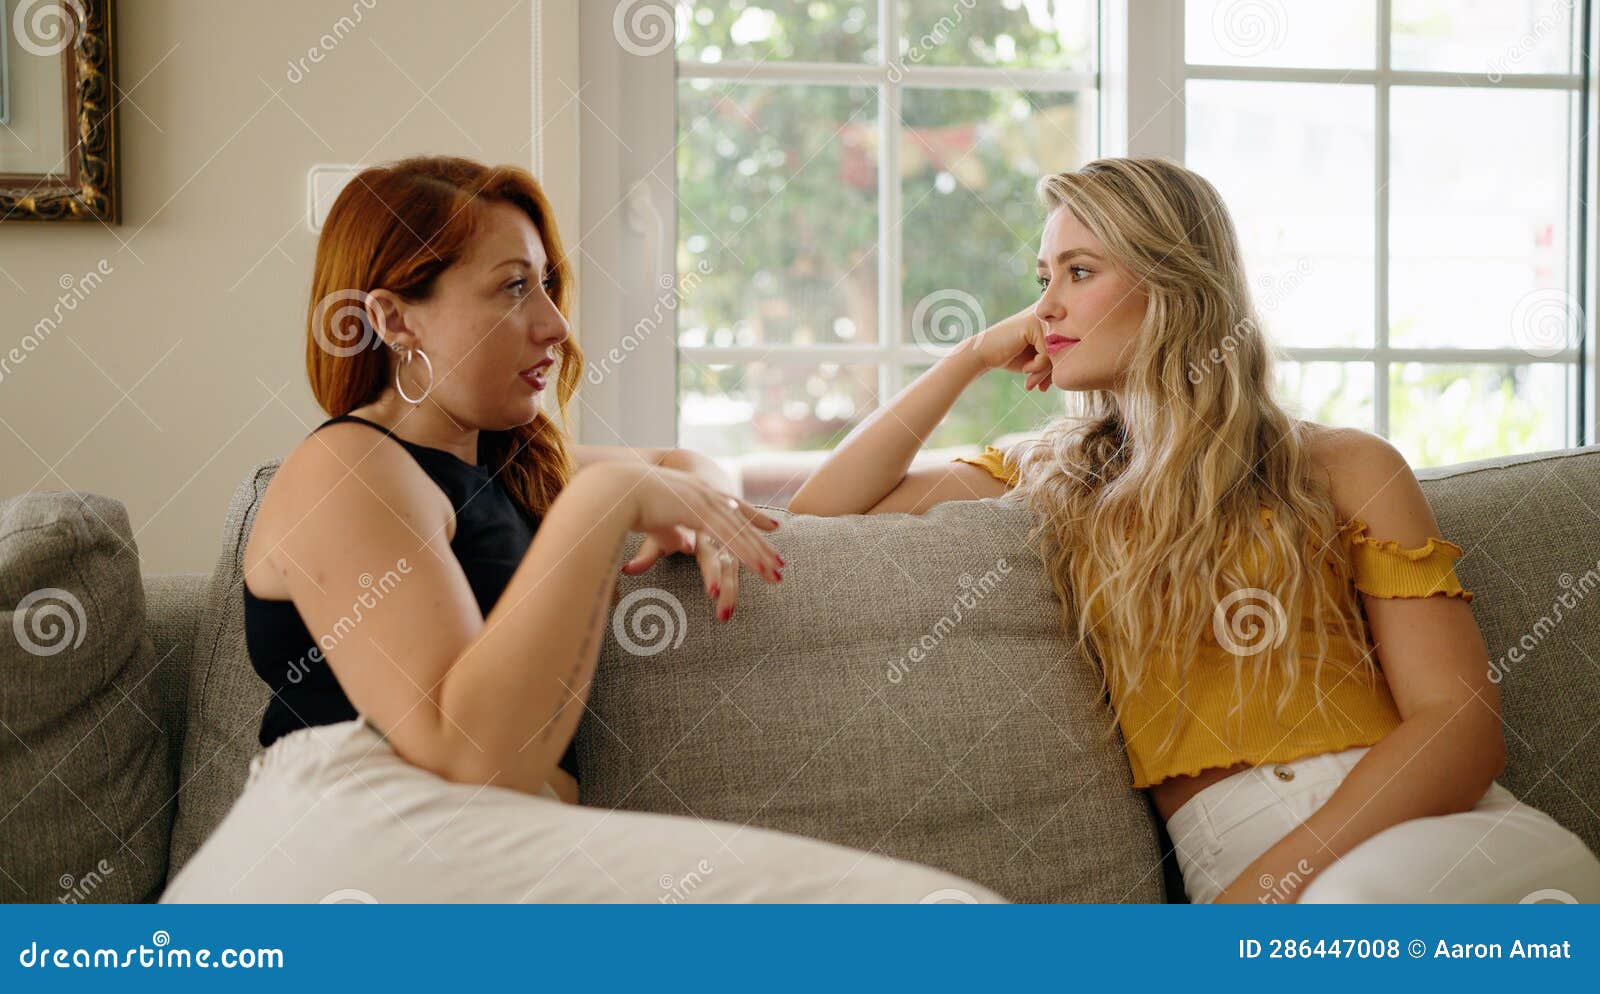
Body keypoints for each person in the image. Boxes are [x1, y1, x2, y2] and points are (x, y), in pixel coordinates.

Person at [161, 155, 1003, 904]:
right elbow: (469, 758)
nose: (556, 327)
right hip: (345, 848)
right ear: (394, 318)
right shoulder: (348, 471)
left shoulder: (503, 470)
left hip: (465, 856)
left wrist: (698, 513)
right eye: (511, 287)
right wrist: (609, 503)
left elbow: (680, 459)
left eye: (547, 286)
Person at [789, 156, 1600, 904]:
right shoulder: (1052, 472)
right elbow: (817, 516)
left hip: (1426, 846)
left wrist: (1275, 886)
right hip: (1250, 869)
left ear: (1173, 285)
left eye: (1079, 273)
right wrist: (966, 356)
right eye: (1042, 278)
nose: (1045, 309)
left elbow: (1458, 729)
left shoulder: (1344, 465)